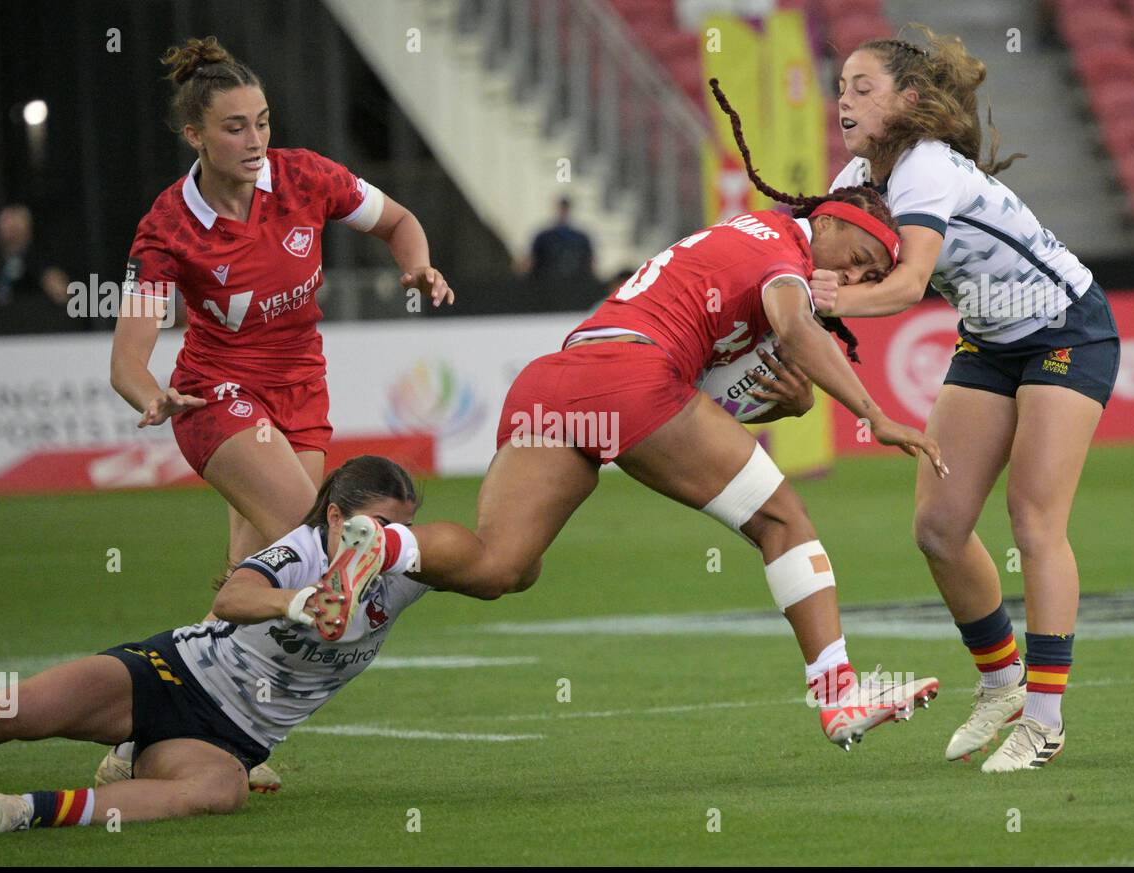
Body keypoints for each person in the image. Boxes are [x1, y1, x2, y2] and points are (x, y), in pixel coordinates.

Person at [370, 82, 949, 750]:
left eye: (872, 277)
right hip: (632, 377)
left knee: (502, 567)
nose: (856, 279)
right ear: (829, 221)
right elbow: (790, 330)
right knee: (783, 521)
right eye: (863, 260)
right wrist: (874, 413)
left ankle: (382, 544)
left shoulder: (756, 246)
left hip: (559, 380)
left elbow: (724, 388)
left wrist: (791, 404)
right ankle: (838, 695)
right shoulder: (781, 246)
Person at [110, 37, 454, 789]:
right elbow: (127, 358)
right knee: (316, 542)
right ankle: (171, 721)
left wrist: (415, 264)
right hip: (215, 397)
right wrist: (150, 395)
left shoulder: (303, 177)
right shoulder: (169, 225)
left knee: (248, 577)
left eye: (262, 122)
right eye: (235, 127)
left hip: (303, 390)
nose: (255, 141)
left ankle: (174, 735)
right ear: (195, 134)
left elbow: (399, 221)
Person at [822, 29, 1121, 771]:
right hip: (990, 337)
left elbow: (903, 282)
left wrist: (828, 301)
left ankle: (1045, 720)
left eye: (864, 88)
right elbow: (810, 266)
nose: (845, 101)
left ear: (909, 100)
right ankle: (1001, 683)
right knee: (938, 527)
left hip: (1066, 328)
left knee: (1033, 519)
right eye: (841, 88)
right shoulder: (856, 176)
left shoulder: (923, 170)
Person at [0, 457, 426, 835]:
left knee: (220, 793)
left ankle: (28, 809)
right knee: (9, 713)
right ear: (336, 517)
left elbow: (491, 566)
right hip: (167, 674)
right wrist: (296, 602)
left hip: (227, 741)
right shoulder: (302, 547)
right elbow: (232, 598)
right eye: (374, 528)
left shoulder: (406, 571)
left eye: (399, 531)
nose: (382, 542)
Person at [0, 205, 69, 307]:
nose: (8, 230)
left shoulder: (38, 259)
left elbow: (61, 293)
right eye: (4, 223)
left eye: (13, 226)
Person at [528, 197, 595, 283]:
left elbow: (589, 262)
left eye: (564, 209)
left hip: (573, 282)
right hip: (548, 282)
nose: (562, 212)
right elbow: (533, 260)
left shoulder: (580, 238)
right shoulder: (544, 237)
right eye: (561, 209)